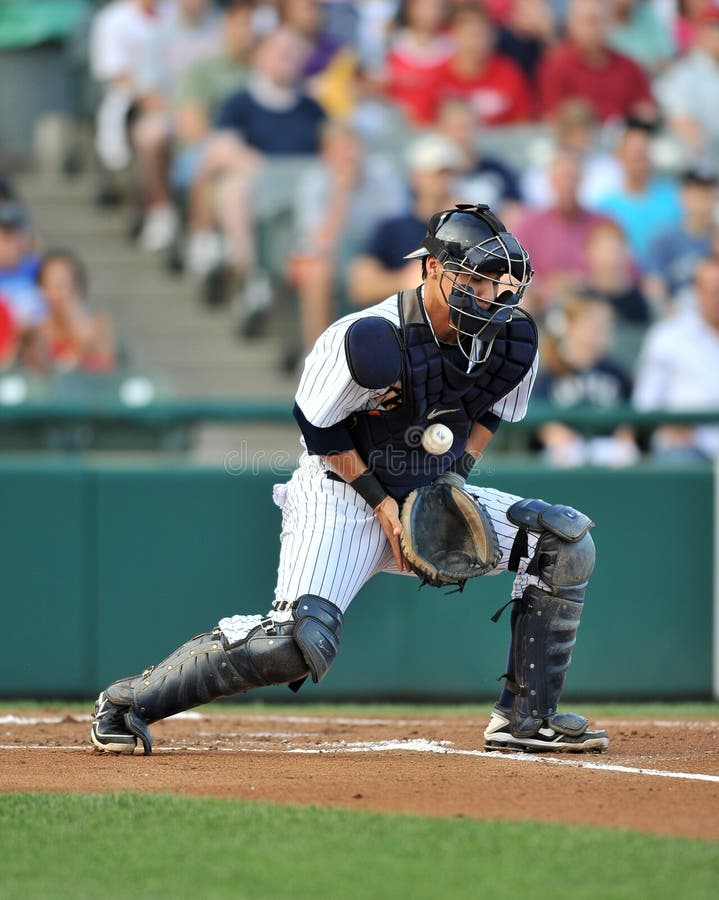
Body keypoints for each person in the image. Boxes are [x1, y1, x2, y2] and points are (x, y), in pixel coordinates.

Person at [90, 202, 609, 756]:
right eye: (476, 278)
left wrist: (451, 487)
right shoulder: (371, 339)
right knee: (291, 645)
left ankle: (526, 719)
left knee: (564, 544)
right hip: (341, 493)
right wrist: (386, 510)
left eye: (499, 281)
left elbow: (486, 415)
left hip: (425, 485)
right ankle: (128, 702)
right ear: (433, 269)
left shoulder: (511, 342)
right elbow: (319, 429)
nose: (490, 294)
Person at [533, 293, 639, 467]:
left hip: (607, 445)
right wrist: (555, 433)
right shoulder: (553, 370)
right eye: (594, 327)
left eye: (606, 327)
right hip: (568, 445)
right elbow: (544, 421)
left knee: (626, 453)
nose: (602, 333)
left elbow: (628, 416)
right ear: (570, 328)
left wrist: (624, 435)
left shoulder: (617, 371)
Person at [633, 253, 719, 460]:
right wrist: (670, 424)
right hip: (689, 449)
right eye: (713, 291)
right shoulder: (668, 336)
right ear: (697, 292)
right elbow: (645, 404)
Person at [537, 0, 656, 124]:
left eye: (599, 21)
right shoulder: (556, 68)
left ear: (610, 23)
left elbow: (646, 110)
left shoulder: (629, 67)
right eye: (588, 21)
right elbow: (553, 117)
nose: (594, 28)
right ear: (571, 24)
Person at [24, 251, 117, 374]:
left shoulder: (98, 325)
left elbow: (107, 367)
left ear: (76, 287)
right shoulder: (37, 331)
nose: (57, 293)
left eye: (61, 284)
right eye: (50, 284)